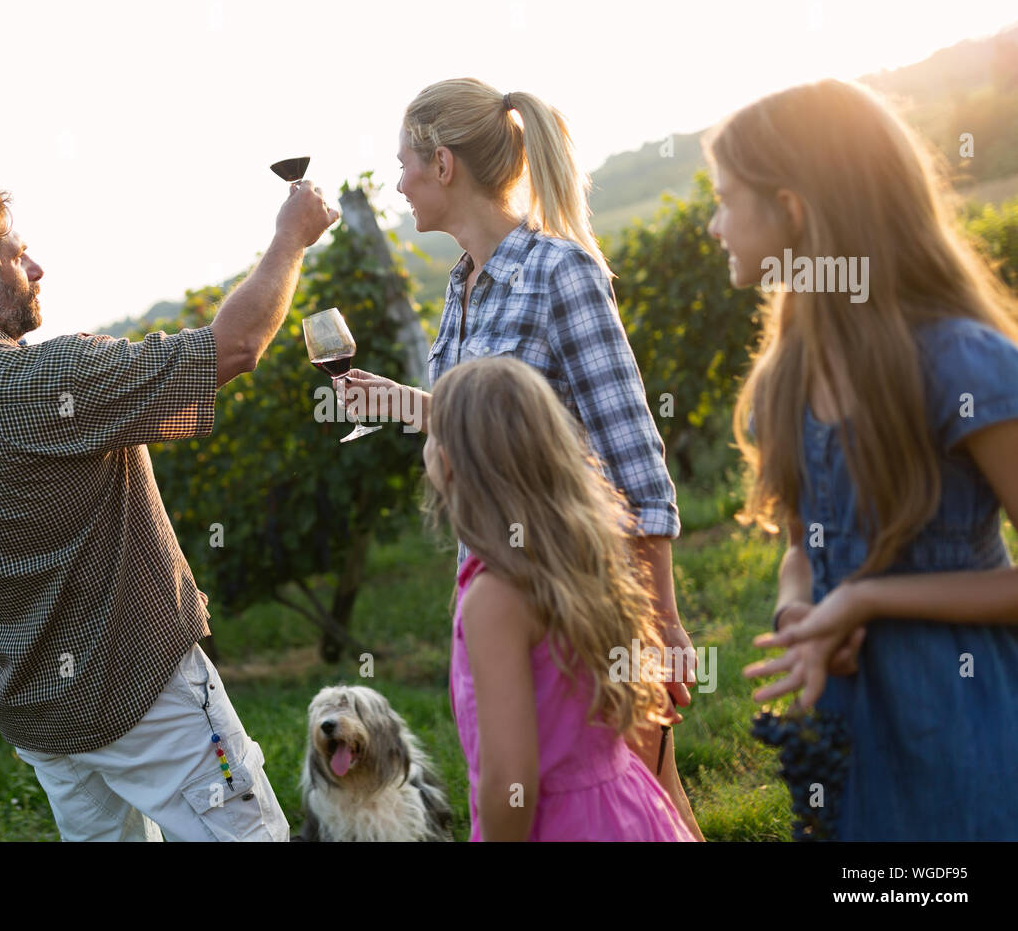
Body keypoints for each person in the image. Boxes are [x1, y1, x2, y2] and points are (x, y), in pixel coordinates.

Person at [0, 176, 338, 841]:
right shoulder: (46, 379)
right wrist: (292, 239)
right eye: (16, 256)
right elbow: (234, 347)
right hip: (145, 696)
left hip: (39, 717)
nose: (36, 268)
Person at [341, 78, 702, 837]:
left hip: (581, 592)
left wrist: (663, 620)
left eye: (405, 162)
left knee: (644, 790)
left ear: (444, 165)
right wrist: (402, 402)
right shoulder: (463, 286)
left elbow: (631, 447)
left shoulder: (559, 272)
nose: (399, 182)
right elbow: (491, 421)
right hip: (502, 583)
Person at [713, 80, 1018, 839]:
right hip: (850, 728)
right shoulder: (785, 378)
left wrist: (870, 599)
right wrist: (802, 615)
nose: (714, 226)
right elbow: (797, 551)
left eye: (725, 199)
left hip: (965, 727)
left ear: (791, 210)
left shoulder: (963, 367)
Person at [426, 355, 694, 841]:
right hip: (630, 809)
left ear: (448, 462)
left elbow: (512, 783)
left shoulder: (495, 596)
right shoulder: (584, 556)